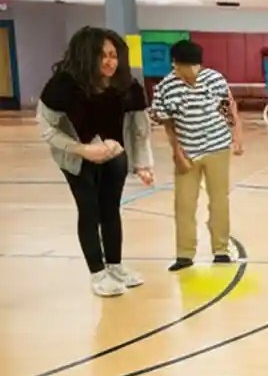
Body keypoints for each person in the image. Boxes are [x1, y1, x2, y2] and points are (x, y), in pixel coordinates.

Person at [36, 26, 154, 297]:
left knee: (111, 210)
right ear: (86, 56)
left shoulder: (127, 84)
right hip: (77, 158)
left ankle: (115, 266)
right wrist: (81, 150)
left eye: (113, 55)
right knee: (89, 210)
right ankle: (97, 273)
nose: (109, 61)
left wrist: (142, 163)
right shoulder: (62, 86)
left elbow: (139, 127)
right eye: (102, 55)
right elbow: (47, 128)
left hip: (114, 155)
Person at [148, 39, 244, 271]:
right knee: (184, 203)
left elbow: (227, 107)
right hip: (187, 151)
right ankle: (184, 254)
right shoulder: (165, 88)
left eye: (196, 67)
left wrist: (237, 134)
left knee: (219, 200)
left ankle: (220, 249)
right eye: (187, 67)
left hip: (217, 147)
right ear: (175, 65)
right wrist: (176, 152)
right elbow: (168, 124)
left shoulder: (214, 79)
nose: (192, 72)